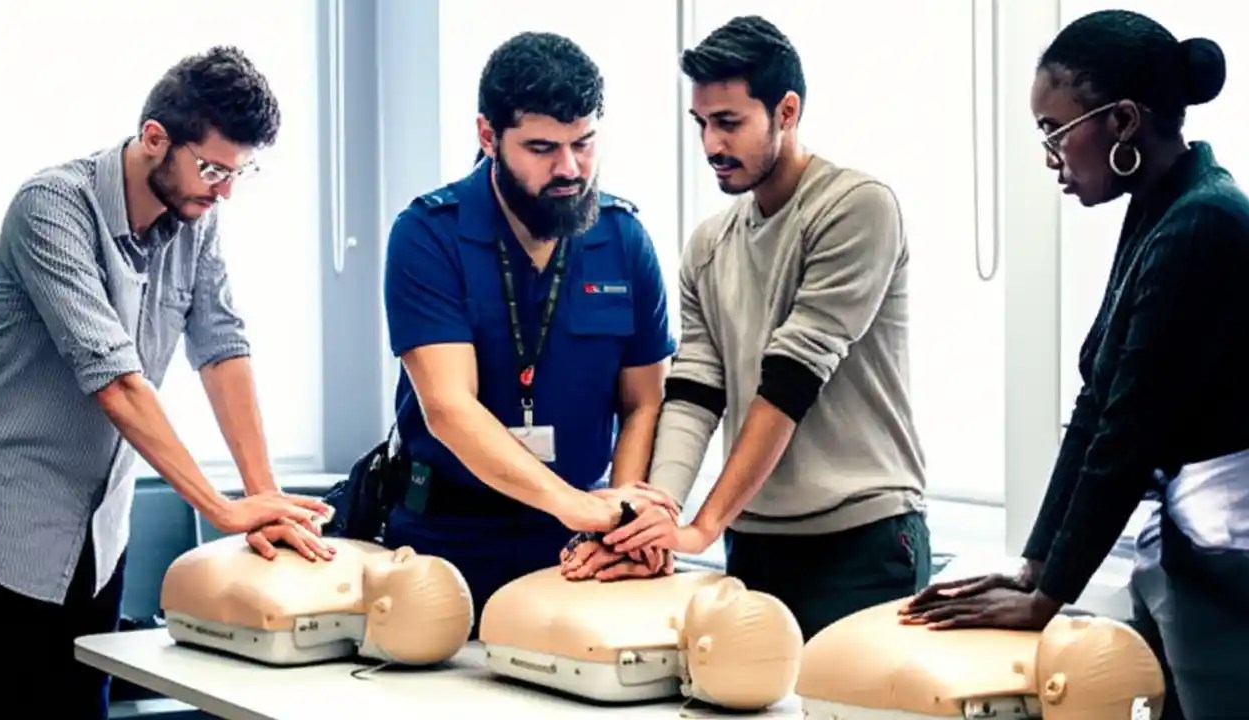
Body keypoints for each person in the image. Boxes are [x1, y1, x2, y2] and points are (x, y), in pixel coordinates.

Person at [900, 10, 1249, 719]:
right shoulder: (1163, 209)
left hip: (1227, 563)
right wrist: (1033, 566)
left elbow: (1129, 430)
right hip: (1187, 553)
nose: (1050, 153)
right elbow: (1098, 407)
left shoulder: (1202, 223)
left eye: (1054, 130)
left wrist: (1047, 596)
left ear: (1122, 120)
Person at [0, 46, 334, 718]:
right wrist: (221, 509)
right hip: (1, 542)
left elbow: (223, 347)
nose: (223, 190)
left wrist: (265, 499)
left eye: (238, 174)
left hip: (100, 544)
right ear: (154, 138)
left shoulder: (196, 220)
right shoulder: (52, 207)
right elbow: (116, 381)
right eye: (213, 168)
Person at [578, 15, 931, 640]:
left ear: (787, 111)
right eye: (702, 124)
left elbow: (790, 382)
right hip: (754, 541)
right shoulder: (709, 244)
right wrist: (652, 521)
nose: (712, 144)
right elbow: (692, 395)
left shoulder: (855, 207)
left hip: (860, 540)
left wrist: (700, 527)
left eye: (730, 122)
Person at [378, 31, 679, 631]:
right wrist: (584, 509)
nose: (569, 169)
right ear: (488, 136)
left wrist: (620, 524)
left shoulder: (622, 237)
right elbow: (447, 407)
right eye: (542, 148)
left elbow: (644, 401)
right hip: (448, 540)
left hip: (577, 547)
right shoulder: (428, 234)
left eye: (584, 143)